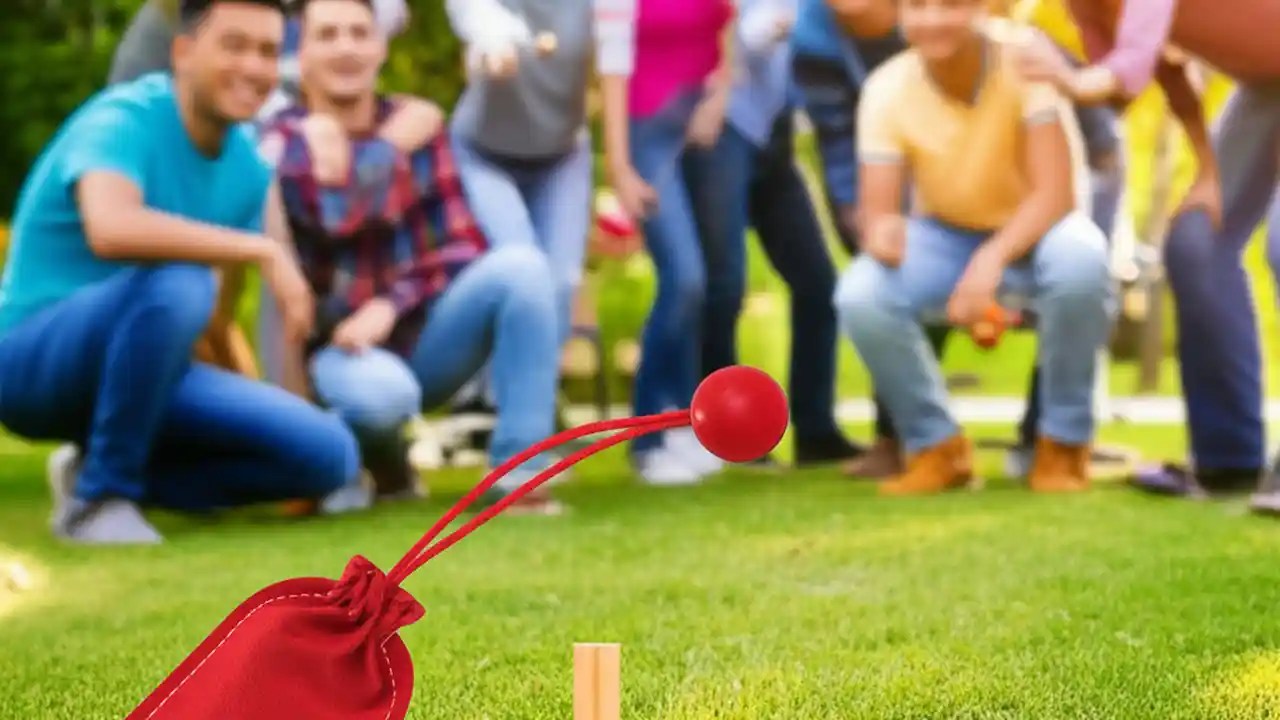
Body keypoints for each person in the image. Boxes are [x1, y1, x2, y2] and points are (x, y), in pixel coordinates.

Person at [0, 0, 366, 545]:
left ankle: (95, 473)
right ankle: (101, 500)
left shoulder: (246, 166)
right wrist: (263, 250)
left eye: (268, 51)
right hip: (33, 363)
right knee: (182, 279)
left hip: (149, 367)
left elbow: (211, 323)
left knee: (328, 453)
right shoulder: (122, 118)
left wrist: (258, 414)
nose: (253, 67)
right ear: (184, 52)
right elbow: (111, 227)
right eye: (234, 45)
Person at [260, 0, 564, 513]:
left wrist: (391, 304)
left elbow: (462, 244)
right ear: (302, 52)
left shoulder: (417, 125)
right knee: (382, 396)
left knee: (523, 268)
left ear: (380, 46)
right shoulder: (282, 141)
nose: (346, 47)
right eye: (328, 35)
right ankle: (382, 460)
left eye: (359, 33)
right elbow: (336, 218)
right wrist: (382, 151)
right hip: (338, 357)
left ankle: (521, 474)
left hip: (424, 341)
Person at [833, 0, 1115, 495]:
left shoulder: (1024, 58)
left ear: (982, 8)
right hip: (948, 233)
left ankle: (1063, 447)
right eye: (918, 6)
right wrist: (882, 232)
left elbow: (1055, 194)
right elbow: (878, 210)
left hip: (1041, 229)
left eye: (951, 5)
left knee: (1083, 260)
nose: (933, 19)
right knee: (861, 293)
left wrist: (990, 261)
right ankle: (936, 447)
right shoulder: (886, 88)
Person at [1015, 0, 1280, 504]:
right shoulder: (1084, 6)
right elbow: (1149, 76)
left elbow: (1124, 72)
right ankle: (1228, 459)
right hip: (1266, 85)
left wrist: (1067, 78)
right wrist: (1205, 164)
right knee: (1196, 244)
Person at [681, 0, 862, 469]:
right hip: (722, 128)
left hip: (775, 132)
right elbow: (732, 28)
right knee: (723, 287)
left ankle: (816, 429)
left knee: (820, 285)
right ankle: (723, 433)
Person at [439, 0, 599, 448]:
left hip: (561, 155)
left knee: (562, 284)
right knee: (523, 270)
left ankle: (525, 415)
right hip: (484, 153)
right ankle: (495, 410)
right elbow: (474, 18)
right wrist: (492, 46)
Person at [597, 0, 738, 485]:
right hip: (645, 134)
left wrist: (720, 95)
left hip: (699, 129)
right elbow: (611, 73)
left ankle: (683, 424)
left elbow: (728, 30)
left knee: (709, 284)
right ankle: (647, 439)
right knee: (684, 281)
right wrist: (619, 167)